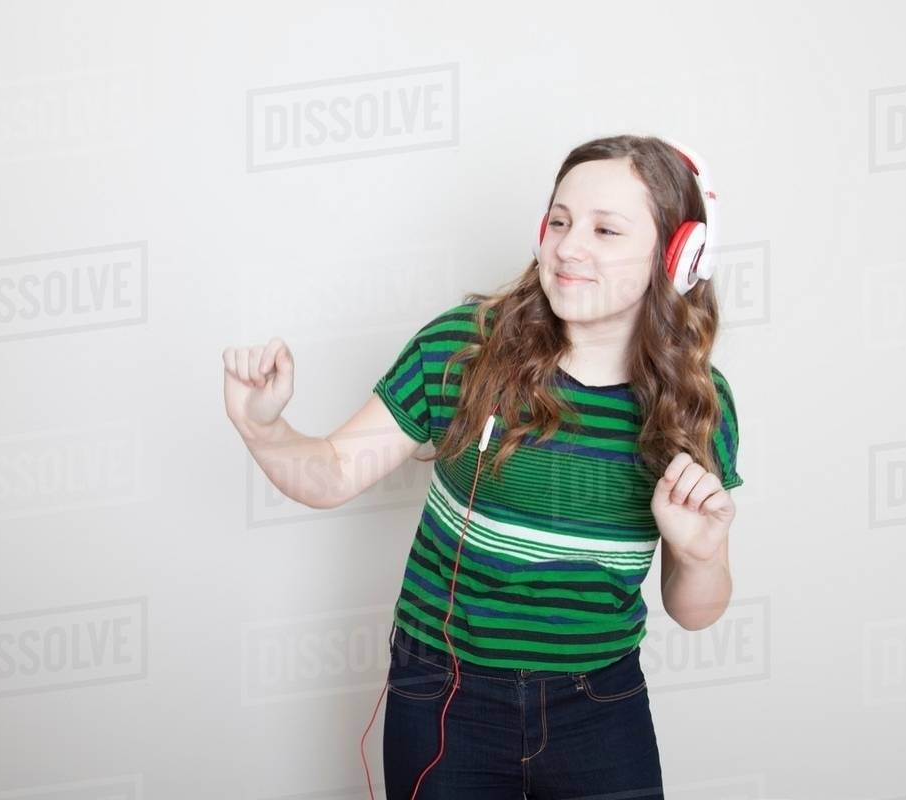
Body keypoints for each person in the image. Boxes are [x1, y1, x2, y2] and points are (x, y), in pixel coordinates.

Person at [221, 133, 743, 799]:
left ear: (678, 257)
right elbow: (330, 473)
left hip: (600, 705)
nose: (568, 246)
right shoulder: (461, 350)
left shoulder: (697, 406)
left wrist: (700, 555)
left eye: (605, 230)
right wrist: (262, 426)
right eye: (559, 221)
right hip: (442, 695)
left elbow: (695, 610)